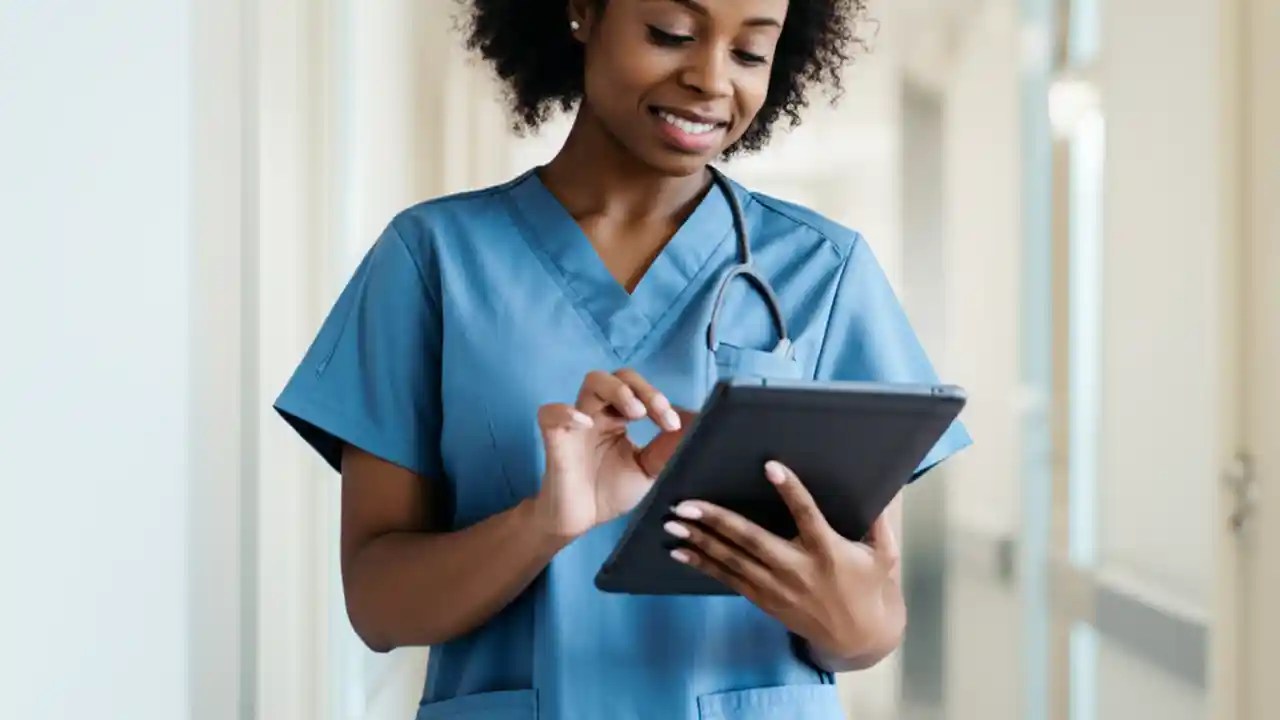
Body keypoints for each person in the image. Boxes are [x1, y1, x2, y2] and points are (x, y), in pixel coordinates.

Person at [274, 0, 971, 717]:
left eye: (749, 54)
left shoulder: (824, 270)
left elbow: (872, 620)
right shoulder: (434, 261)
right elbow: (377, 608)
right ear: (581, 12)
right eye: (671, 34)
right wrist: (544, 523)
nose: (710, 79)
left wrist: (845, 617)